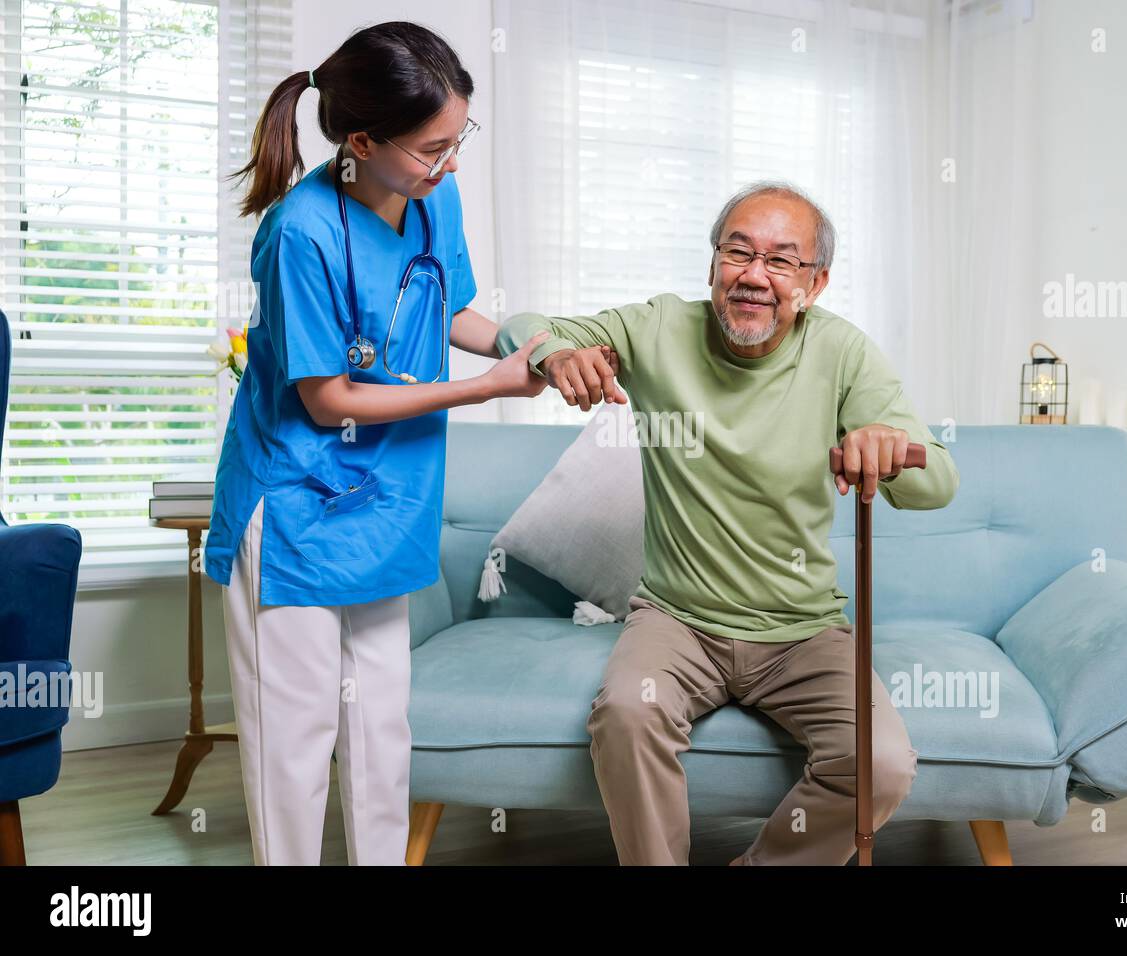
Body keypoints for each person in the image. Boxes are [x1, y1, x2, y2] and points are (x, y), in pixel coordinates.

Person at [495, 181, 960, 865]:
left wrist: (888, 453)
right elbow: (523, 325)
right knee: (627, 714)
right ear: (713, 262)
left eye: (780, 261)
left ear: (816, 282)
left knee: (881, 764)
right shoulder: (658, 327)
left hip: (802, 629)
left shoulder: (843, 354)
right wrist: (554, 355)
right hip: (677, 621)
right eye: (737, 252)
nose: (752, 275)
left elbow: (938, 483)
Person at [202, 21, 557, 866]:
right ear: (361, 140)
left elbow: (456, 311)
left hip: (387, 501)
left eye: (457, 138)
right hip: (293, 506)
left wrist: (535, 346)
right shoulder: (302, 232)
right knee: (294, 738)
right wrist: (486, 390)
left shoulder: (434, 197)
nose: (451, 163)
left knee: (381, 731)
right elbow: (327, 401)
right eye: (433, 147)